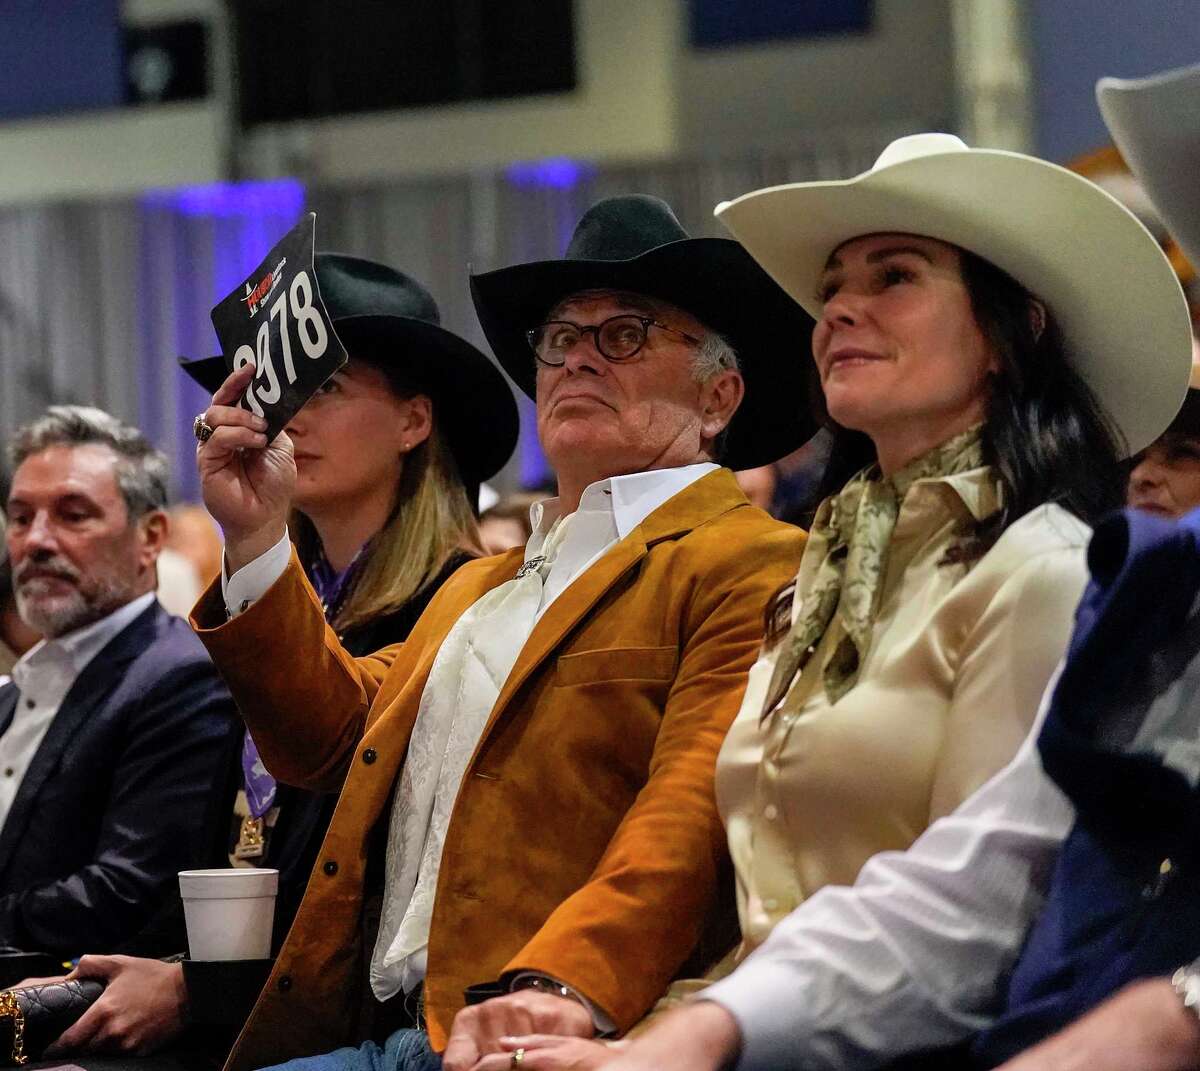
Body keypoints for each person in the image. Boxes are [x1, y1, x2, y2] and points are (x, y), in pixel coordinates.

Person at [495, 132, 1190, 1071]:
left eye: (894, 276)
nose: (840, 312)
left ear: (1012, 332)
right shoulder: (818, 580)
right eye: (831, 290)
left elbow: (986, 921)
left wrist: (695, 1037)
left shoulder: (1044, 571)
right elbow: (769, 912)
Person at [189, 194, 812, 1071]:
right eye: (560, 339)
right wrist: (255, 539)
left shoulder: (751, 559)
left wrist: (560, 991)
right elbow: (326, 739)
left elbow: (690, 813)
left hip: (545, 1032)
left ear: (719, 396)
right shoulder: (484, 579)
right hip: (387, 1027)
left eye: (624, 334)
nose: (577, 359)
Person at [43, 254, 519, 1058]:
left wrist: (196, 988)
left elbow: (377, 878)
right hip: (232, 1009)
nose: (287, 416)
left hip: (358, 1027)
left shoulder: (465, 603)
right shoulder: (258, 597)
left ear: (414, 423)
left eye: (325, 387)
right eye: (278, 389)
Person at [0, 405, 239, 957]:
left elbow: (128, 895)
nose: (35, 541)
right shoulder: (16, 693)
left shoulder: (181, 676)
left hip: (75, 1020)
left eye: (73, 515)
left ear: (151, 536)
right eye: (19, 517)